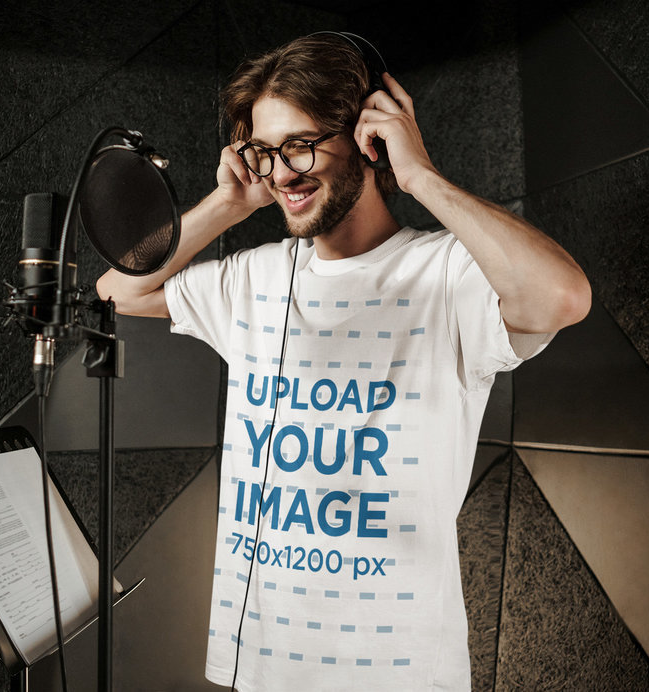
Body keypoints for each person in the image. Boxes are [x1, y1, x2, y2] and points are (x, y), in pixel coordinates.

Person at [97, 33, 590, 692]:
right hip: (260, 665)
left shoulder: (445, 273)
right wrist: (231, 203)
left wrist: (419, 175)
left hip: (394, 674)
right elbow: (118, 290)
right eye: (264, 151)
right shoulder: (255, 278)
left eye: (300, 143)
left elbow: (562, 296)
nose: (283, 171)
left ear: (368, 135)